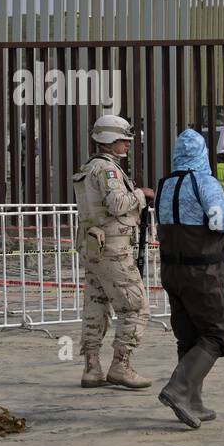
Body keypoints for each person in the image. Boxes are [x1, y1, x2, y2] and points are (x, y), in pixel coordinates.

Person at [154, 128, 224, 428]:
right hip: (203, 271)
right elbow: (220, 222)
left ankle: (194, 401)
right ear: (203, 153)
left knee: (189, 334)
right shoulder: (204, 182)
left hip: (172, 270)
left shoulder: (165, 185)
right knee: (223, 328)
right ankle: (178, 389)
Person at [72, 114, 155, 390]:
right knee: (136, 306)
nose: (127, 145)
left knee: (96, 305)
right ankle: (121, 365)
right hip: (113, 249)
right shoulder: (108, 170)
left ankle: (91, 367)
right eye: (123, 140)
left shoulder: (89, 167)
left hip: (93, 247)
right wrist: (142, 194)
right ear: (109, 141)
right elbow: (117, 203)